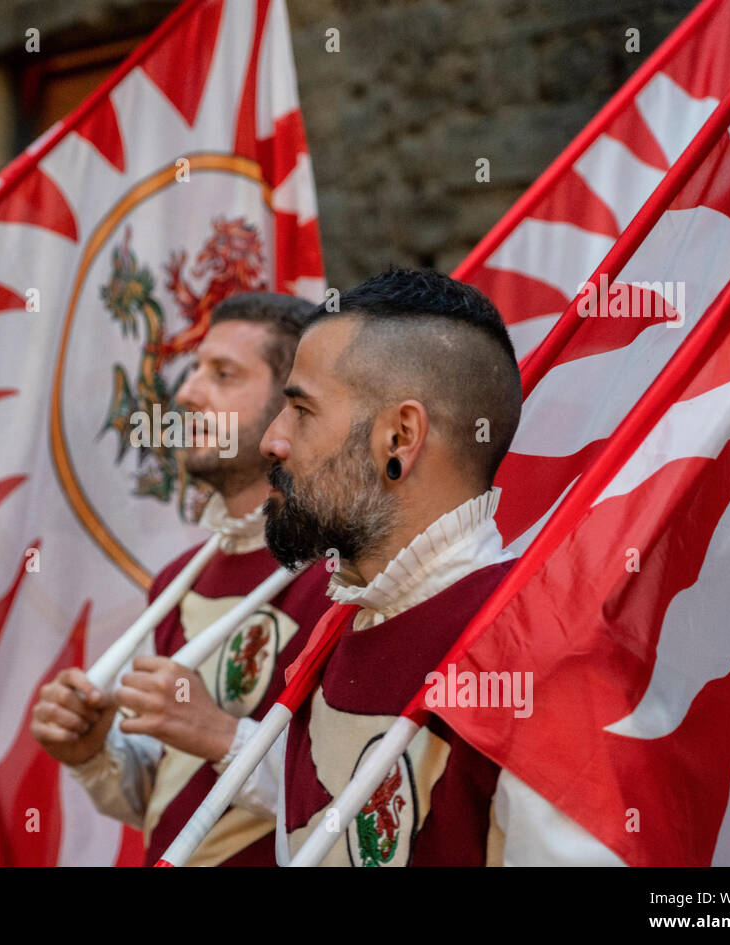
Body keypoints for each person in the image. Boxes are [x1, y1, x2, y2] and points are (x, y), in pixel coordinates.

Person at [259, 268, 618, 866]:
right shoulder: (340, 629)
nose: (273, 441)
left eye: (301, 409)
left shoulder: (536, 650)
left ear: (400, 438)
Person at [31, 292, 336, 866]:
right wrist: (95, 750)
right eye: (194, 370)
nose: (188, 393)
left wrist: (221, 735)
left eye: (223, 374)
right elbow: (177, 794)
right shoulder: (178, 580)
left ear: (292, 405)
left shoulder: (341, 575)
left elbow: (357, 793)